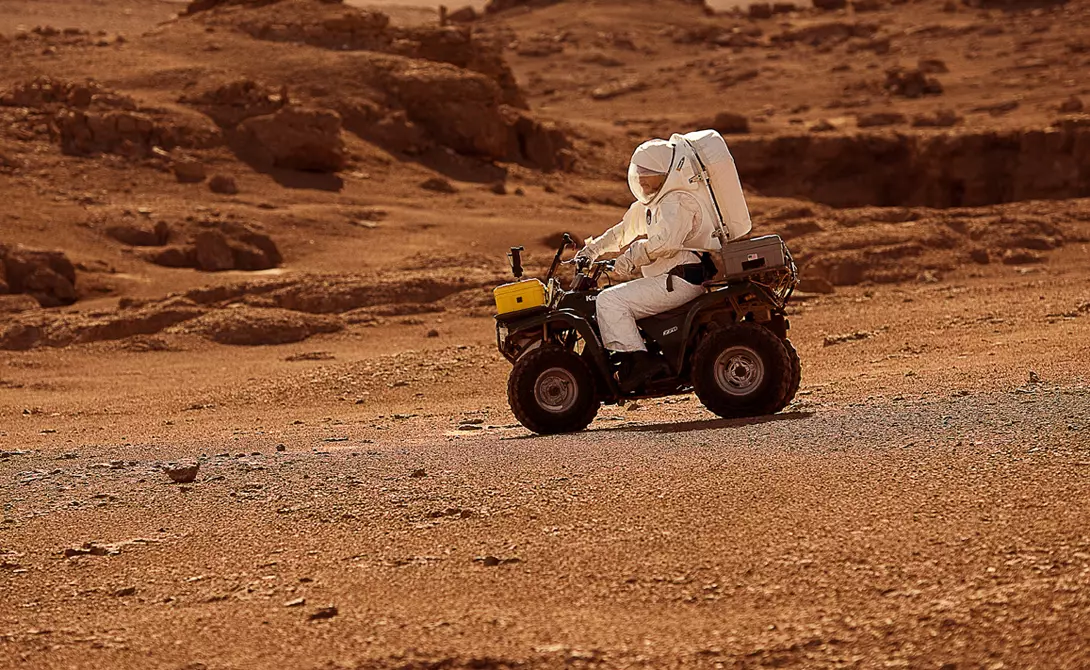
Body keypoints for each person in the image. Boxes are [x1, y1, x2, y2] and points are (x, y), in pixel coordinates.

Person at [576, 136, 730, 392]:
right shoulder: (650, 205)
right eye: (639, 173)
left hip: (679, 279)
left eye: (649, 173)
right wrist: (591, 251)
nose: (642, 179)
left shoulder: (677, 201)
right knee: (616, 299)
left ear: (666, 173)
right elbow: (621, 232)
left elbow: (665, 242)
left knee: (609, 301)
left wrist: (631, 257)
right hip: (667, 279)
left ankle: (640, 363)